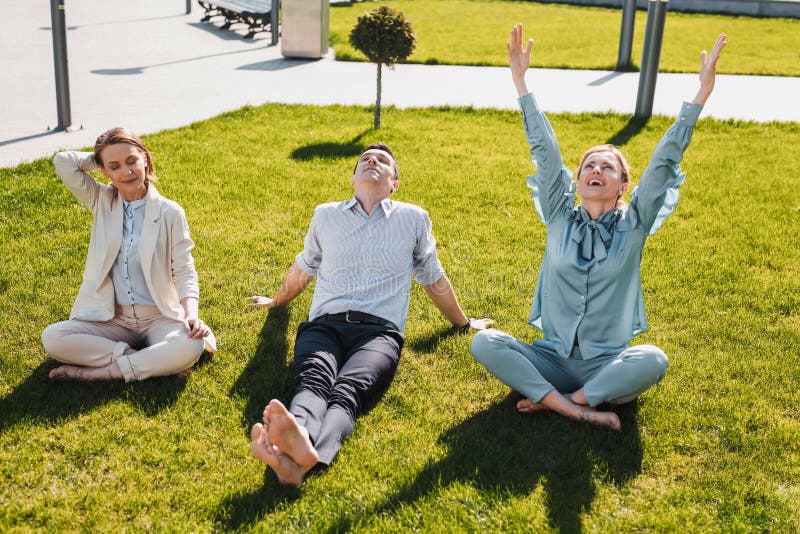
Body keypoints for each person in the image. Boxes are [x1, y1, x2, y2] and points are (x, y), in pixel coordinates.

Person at [471, 26, 727, 431]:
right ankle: (577, 409)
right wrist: (520, 81)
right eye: (589, 164)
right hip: (551, 359)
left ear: (623, 185)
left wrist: (700, 96)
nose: (596, 169)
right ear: (577, 180)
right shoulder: (558, 215)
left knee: (653, 359)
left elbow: (663, 163)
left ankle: (556, 402)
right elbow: (545, 151)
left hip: (608, 365)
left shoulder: (635, 222)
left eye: (607, 166)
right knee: (484, 341)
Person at [249, 142, 492, 486]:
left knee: (348, 391)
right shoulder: (326, 215)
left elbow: (432, 277)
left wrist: (464, 323)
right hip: (324, 326)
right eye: (365, 159)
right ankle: (299, 440)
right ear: (353, 178)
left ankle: (300, 456)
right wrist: (276, 302)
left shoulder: (413, 218)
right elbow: (303, 268)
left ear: (394, 183)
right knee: (314, 379)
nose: (372, 161)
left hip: (379, 335)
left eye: (383, 161)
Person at [41, 128, 216, 382]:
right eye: (115, 166)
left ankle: (99, 373)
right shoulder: (101, 200)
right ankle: (142, 358)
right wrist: (101, 159)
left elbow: (184, 269)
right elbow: (63, 161)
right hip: (113, 318)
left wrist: (191, 315)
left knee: (191, 346)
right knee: (53, 337)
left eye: (132, 161)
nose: (126, 172)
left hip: (159, 316)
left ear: (145, 158)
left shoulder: (170, 213)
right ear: (105, 171)